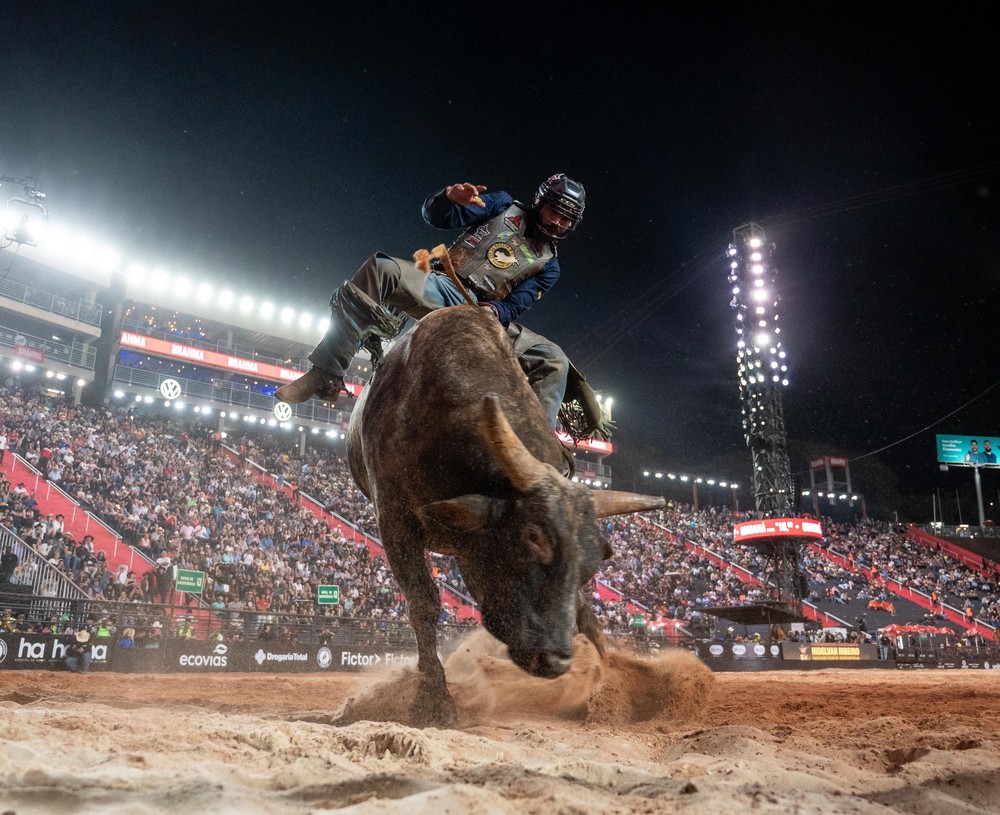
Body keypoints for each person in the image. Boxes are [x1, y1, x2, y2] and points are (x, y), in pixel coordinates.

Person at [275, 175, 610, 438]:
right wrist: (448, 199)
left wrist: (497, 312)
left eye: (567, 220)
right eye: (555, 213)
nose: (558, 224)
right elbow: (435, 216)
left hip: (486, 315)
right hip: (443, 286)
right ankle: (327, 373)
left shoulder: (550, 265)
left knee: (553, 358)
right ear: (540, 203)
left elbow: (516, 304)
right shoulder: (503, 205)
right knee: (382, 269)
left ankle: (537, 443)